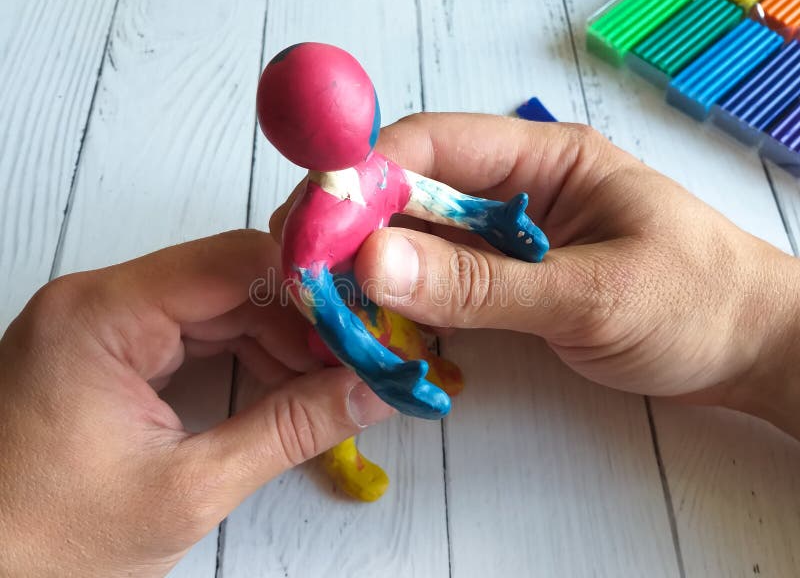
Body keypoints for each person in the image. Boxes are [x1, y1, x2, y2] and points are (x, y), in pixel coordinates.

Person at [1, 114, 797, 576]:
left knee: (416, 327)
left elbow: (433, 196)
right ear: (298, 139)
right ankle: (341, 450)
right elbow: (318, 302)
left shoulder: (379, 170)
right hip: (343, 330)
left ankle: (413, 355)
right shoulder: (311, 226)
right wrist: (372, 364)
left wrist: (492, 220)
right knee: (330, 377)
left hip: (393, 306)